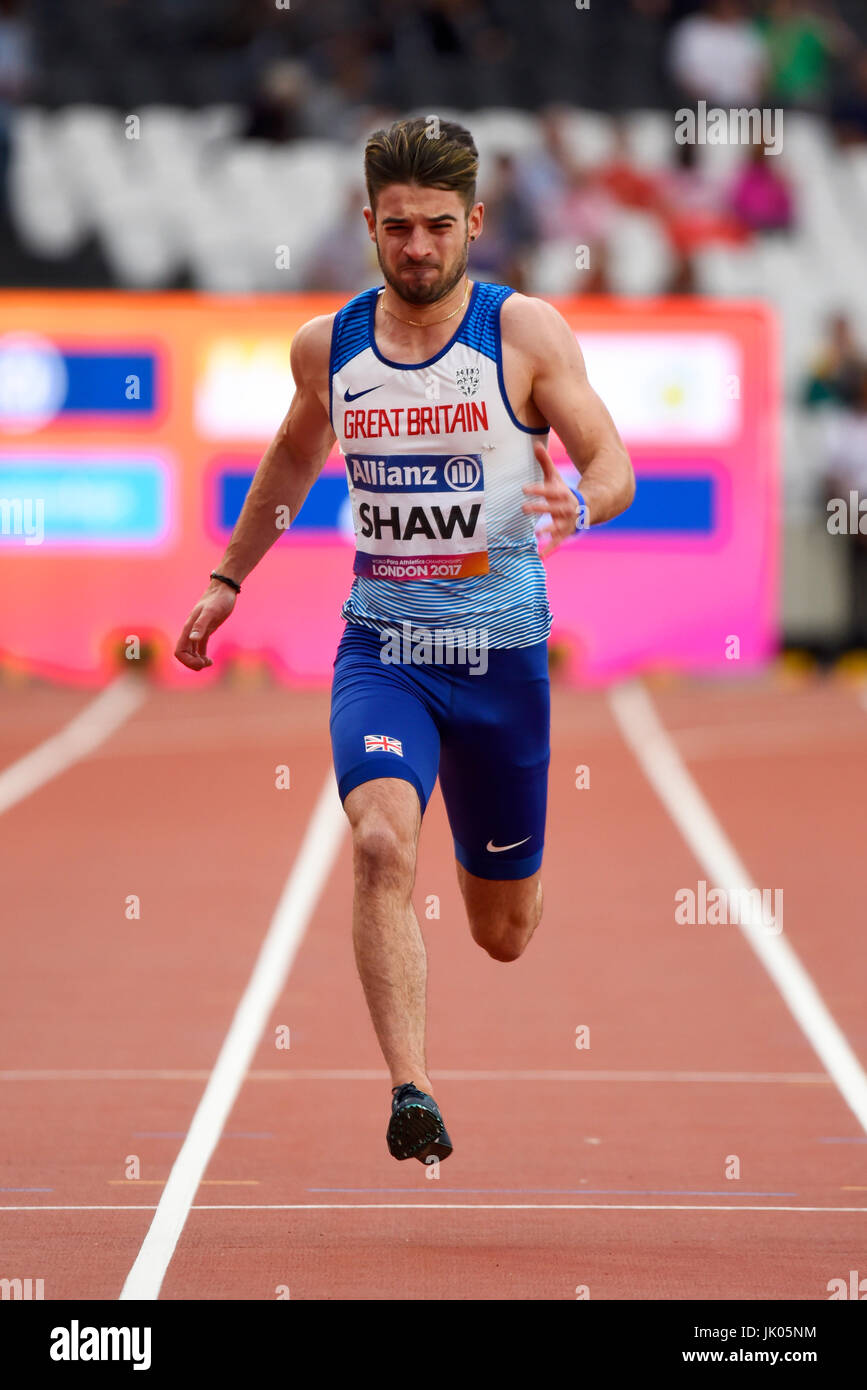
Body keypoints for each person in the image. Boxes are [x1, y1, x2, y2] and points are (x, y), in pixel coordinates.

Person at [174, 117, 634, 1164]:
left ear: (473, 223)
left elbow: (611, 459)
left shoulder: (524, 335)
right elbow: (289, 466)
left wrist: (584, 506)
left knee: (502, 932)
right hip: (383, 651)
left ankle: (513, 864)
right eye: (397, 228)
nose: (417, 247)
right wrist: (225, 578)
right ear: (368, 224)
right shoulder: (329, 347)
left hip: (501, 661)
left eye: (436, 226)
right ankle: (412, 1087)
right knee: (381, 842)